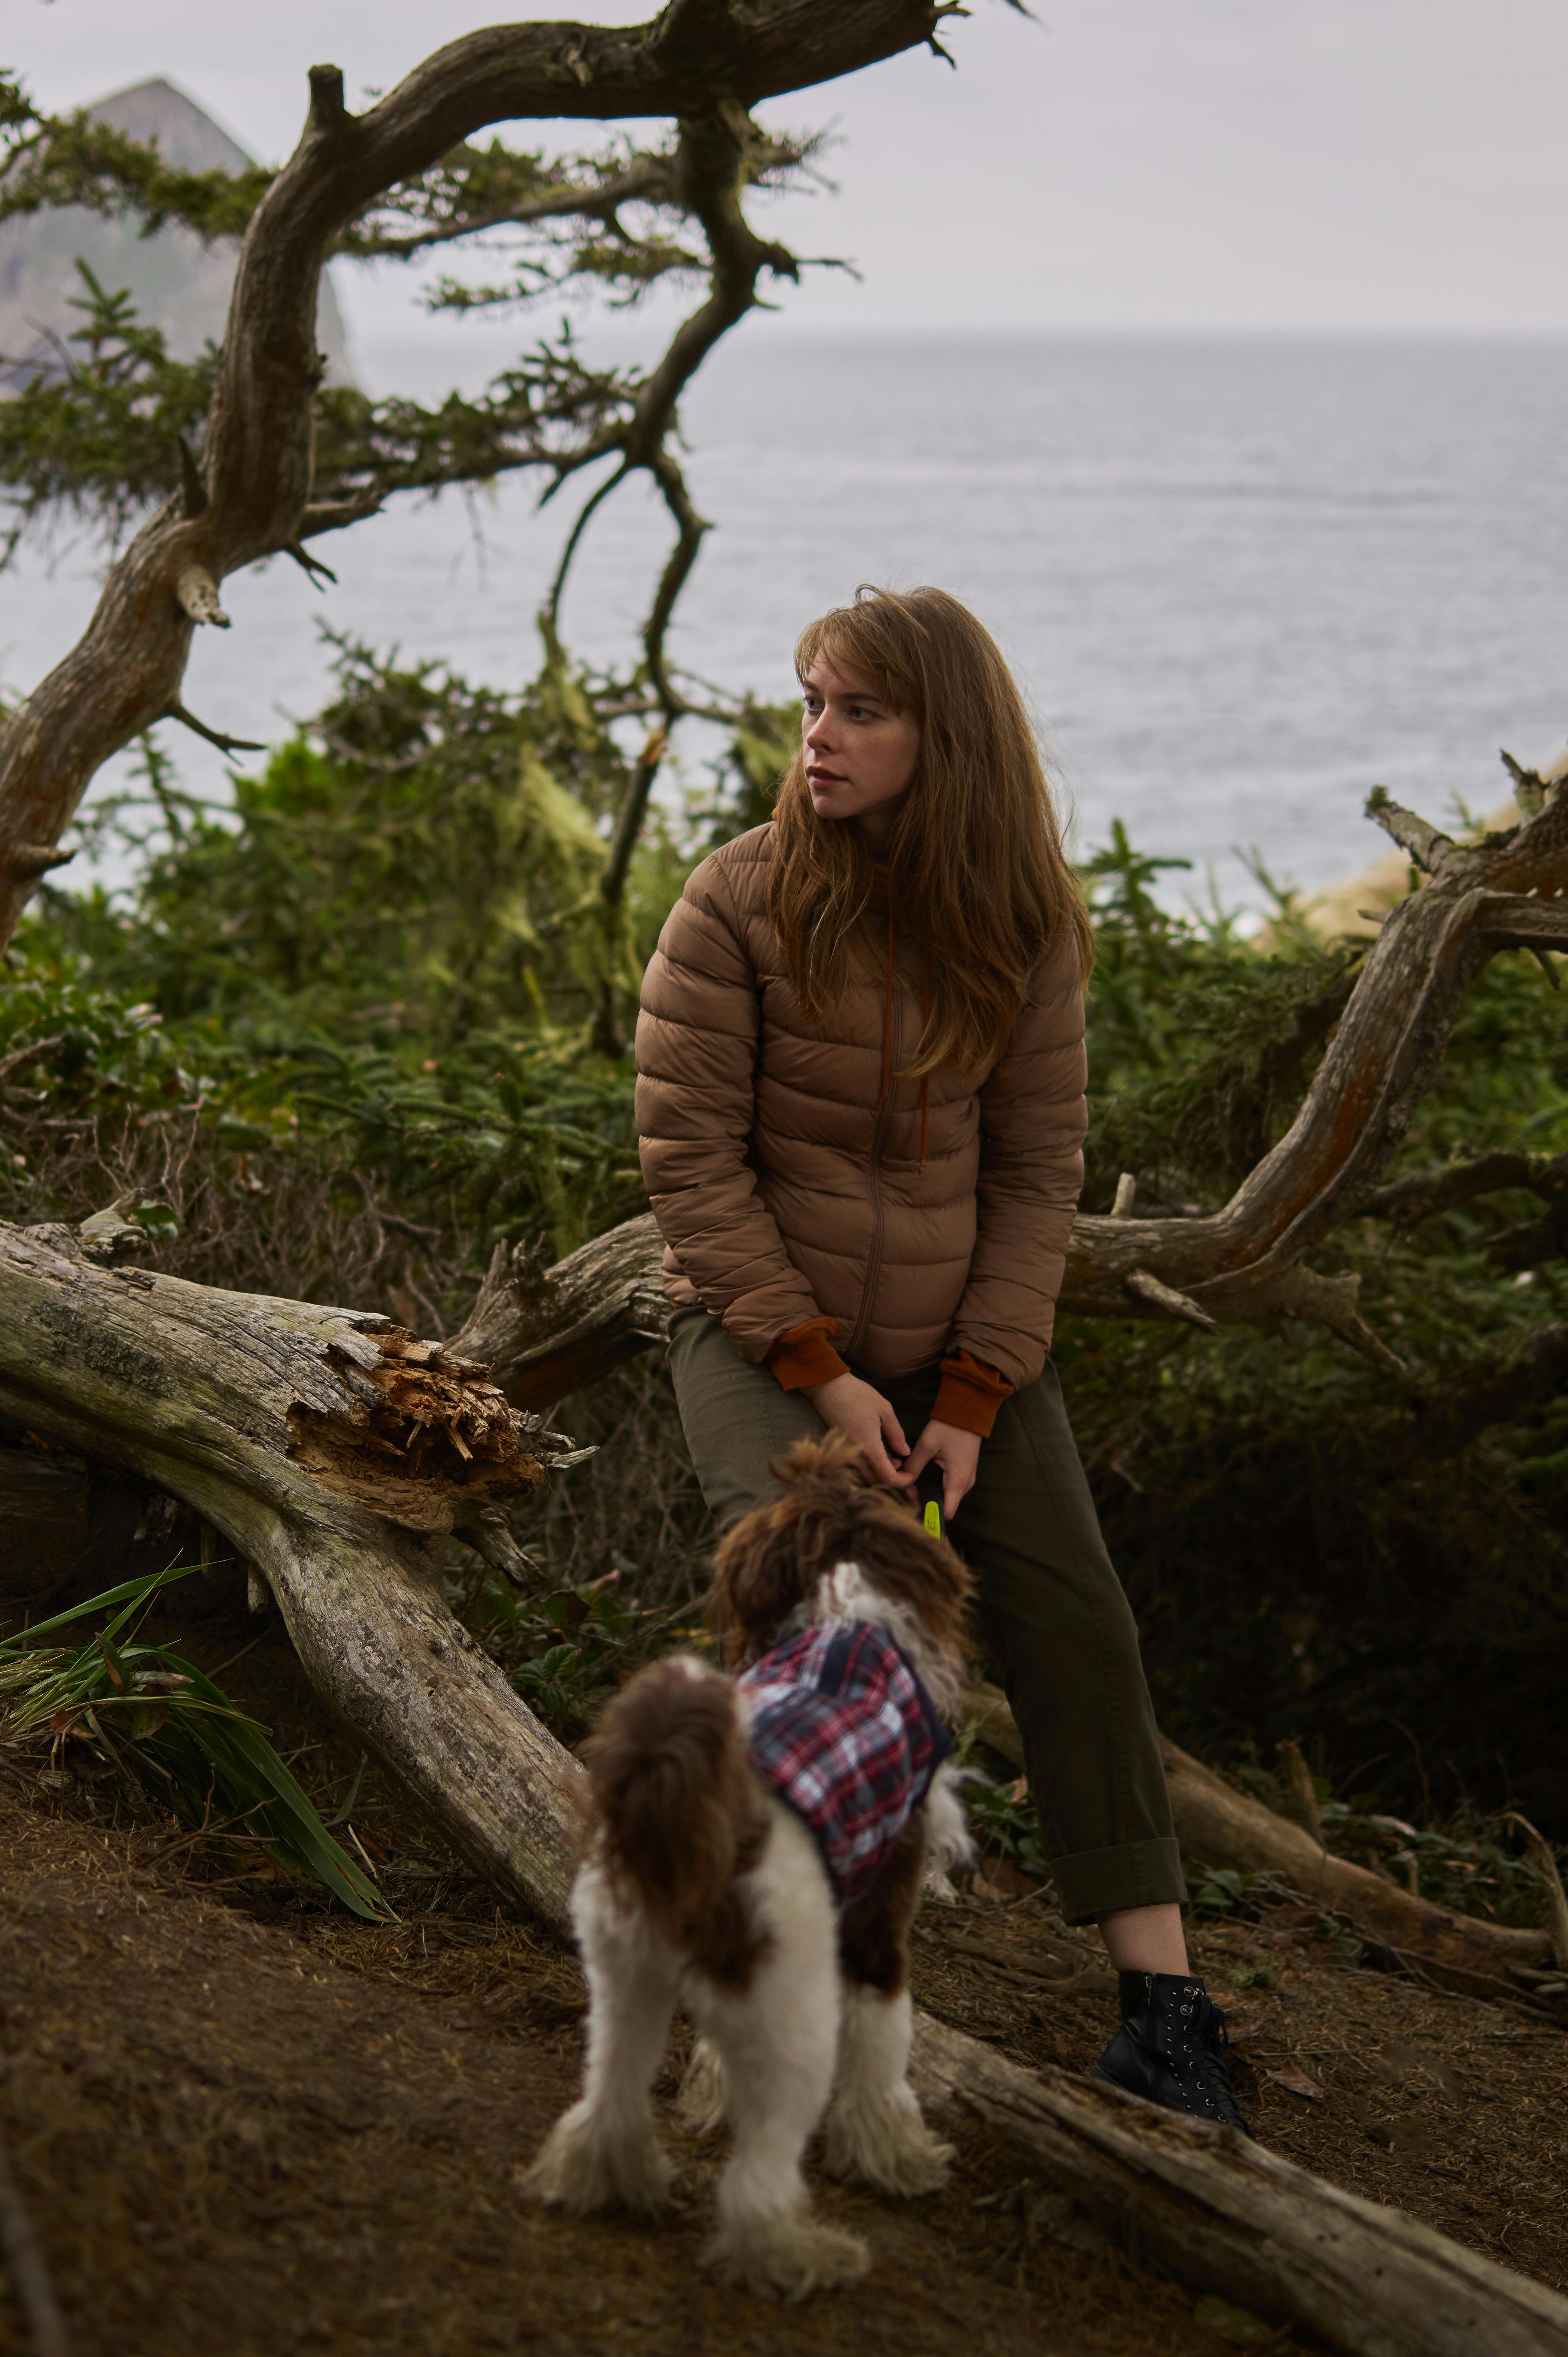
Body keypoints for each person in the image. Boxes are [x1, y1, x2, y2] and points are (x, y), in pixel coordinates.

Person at [634, 584, 1245, 2129]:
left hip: (963, 1361)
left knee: (1077, 1623)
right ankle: (769, 1975)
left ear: (943, 736)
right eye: (813, 703)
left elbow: (1039, 1175)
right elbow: (690, 1159)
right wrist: (825, 1376)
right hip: (767, 1340)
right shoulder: (737, 899)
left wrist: (972, 1399)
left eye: (860, 711)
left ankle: (1167, 2012)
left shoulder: (1023, 914)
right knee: (813, 1614)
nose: (819, 738)